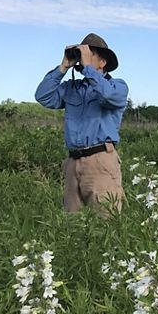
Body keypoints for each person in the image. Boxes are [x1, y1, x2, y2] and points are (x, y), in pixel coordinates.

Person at [35, 33, 129, 215]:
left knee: (105, 221)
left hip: (101, 161)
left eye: (88, 53)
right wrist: (63, 67)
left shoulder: (117, 86)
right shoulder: (72, 88)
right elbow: (43, 96)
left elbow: (108, 95)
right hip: (73, 162)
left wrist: (88, 69)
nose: (82, 57)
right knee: (73, 226)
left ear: (103, 62)